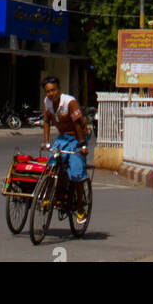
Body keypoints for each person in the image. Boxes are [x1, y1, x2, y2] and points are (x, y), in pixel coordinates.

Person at [41, 76, 89, 214]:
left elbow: (77, 124)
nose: (51, 94)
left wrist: (82, 145)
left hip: (77, 136)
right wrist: (46, 142)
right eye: (48, 91)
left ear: (59, 89)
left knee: (76, 172)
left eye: (53, 90)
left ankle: (80, 207)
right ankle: (55, 195)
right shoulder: (47, 102)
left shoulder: (69, 102)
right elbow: (46, 121)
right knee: (53, 165)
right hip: (62, 137)